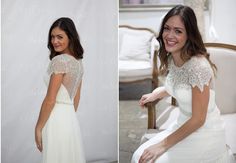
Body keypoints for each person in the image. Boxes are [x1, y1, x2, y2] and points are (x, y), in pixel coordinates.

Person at [132, 5, 236, 163]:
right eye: (167, 28)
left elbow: (198, 119)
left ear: (189, 35)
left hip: (204, 132)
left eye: (178, 31)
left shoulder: (198, 67)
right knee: (138, 157)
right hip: (183, 124)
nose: (169, 35)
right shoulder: (174, 57)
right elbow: (178, 83)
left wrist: (162, 145)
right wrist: (157, 93)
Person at [35, 17, 86, 163]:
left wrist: (38, 128)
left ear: (70, 37)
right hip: (70, 119)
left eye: (59, 37)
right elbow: (76, 98)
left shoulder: (60, 61)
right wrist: (68, 118)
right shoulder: (78, 62)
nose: (54, 41)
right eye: (52, 37)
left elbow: (50, 100)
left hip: (55, 118)